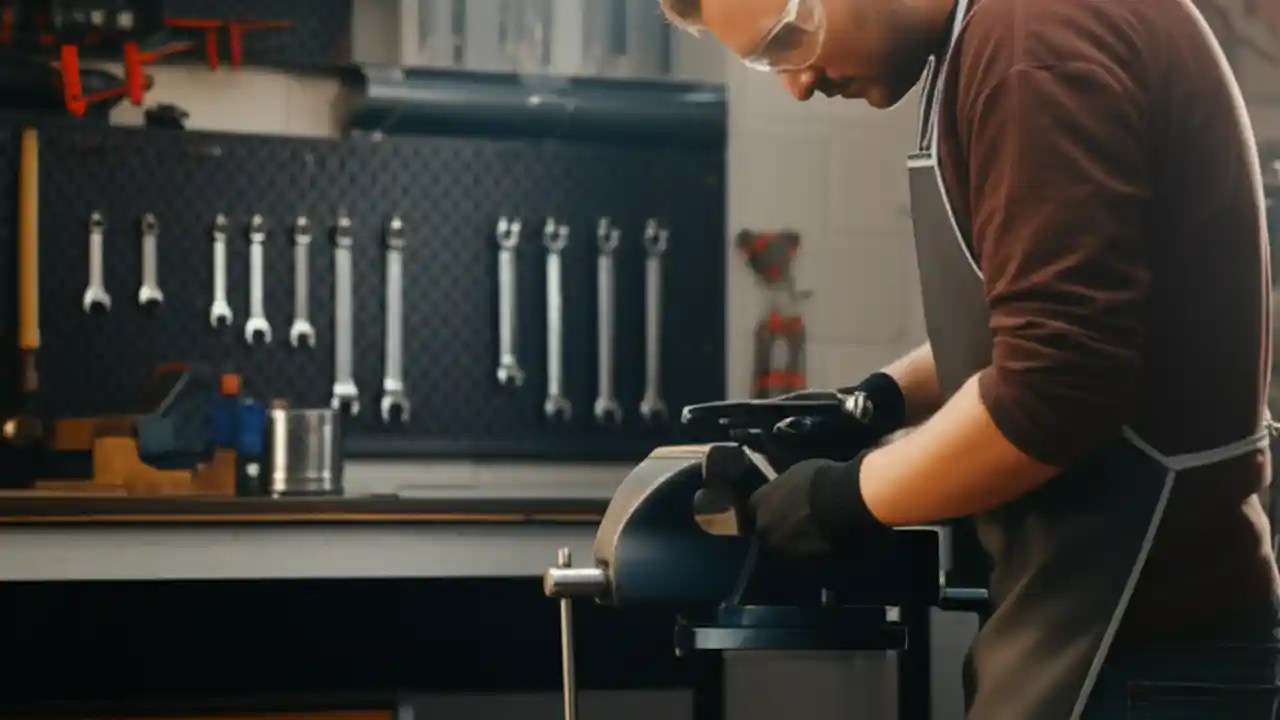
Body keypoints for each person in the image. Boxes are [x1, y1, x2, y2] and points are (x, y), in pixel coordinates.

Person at [659, 0, 1280, 717]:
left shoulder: (1033, 41)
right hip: (1099, 625)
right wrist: (875, 401)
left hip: (1142, 644)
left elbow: (1053, 393)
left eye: (787, 40)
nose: (797, 85)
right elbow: (1030, 320)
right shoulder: (989, 38)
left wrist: (841, 498)